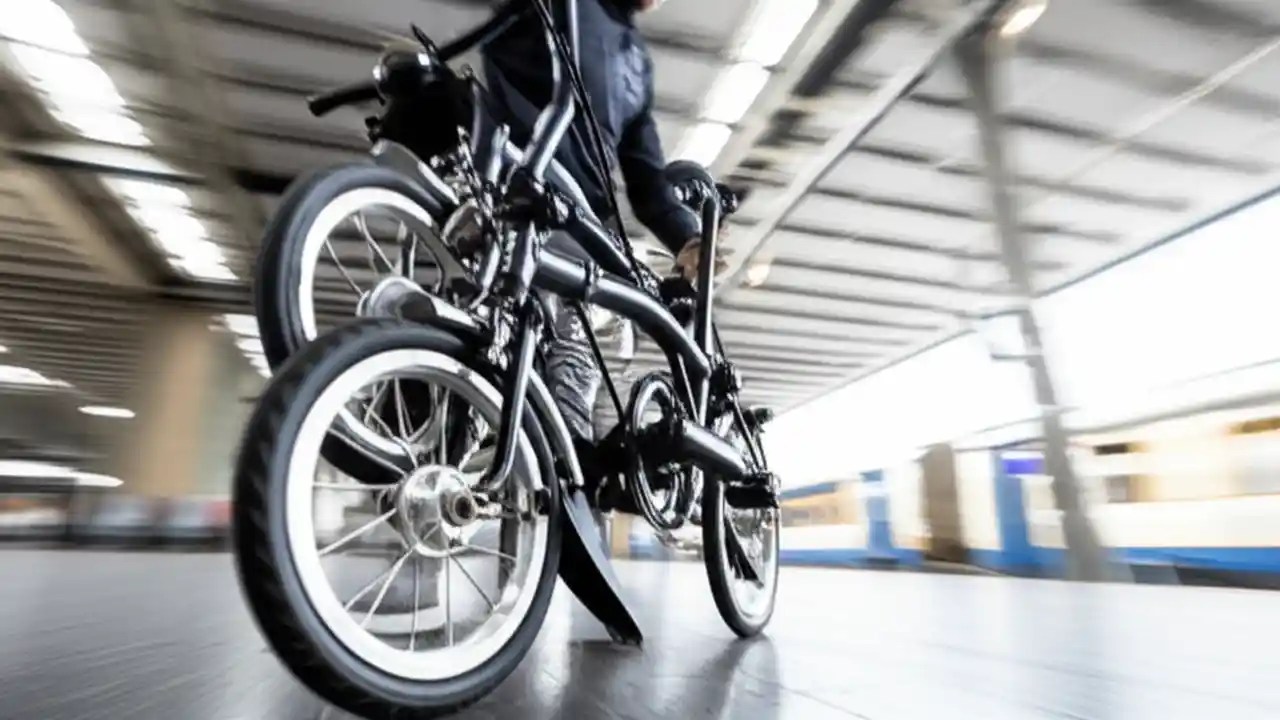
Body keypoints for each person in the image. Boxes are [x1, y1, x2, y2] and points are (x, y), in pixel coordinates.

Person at [482, 0, 722, 470]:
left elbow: (648, 179)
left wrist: (689, 238)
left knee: (571, 356)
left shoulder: (636, 60)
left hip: (581, 220)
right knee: (494, 328)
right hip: (515, 178)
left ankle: (564, 481)